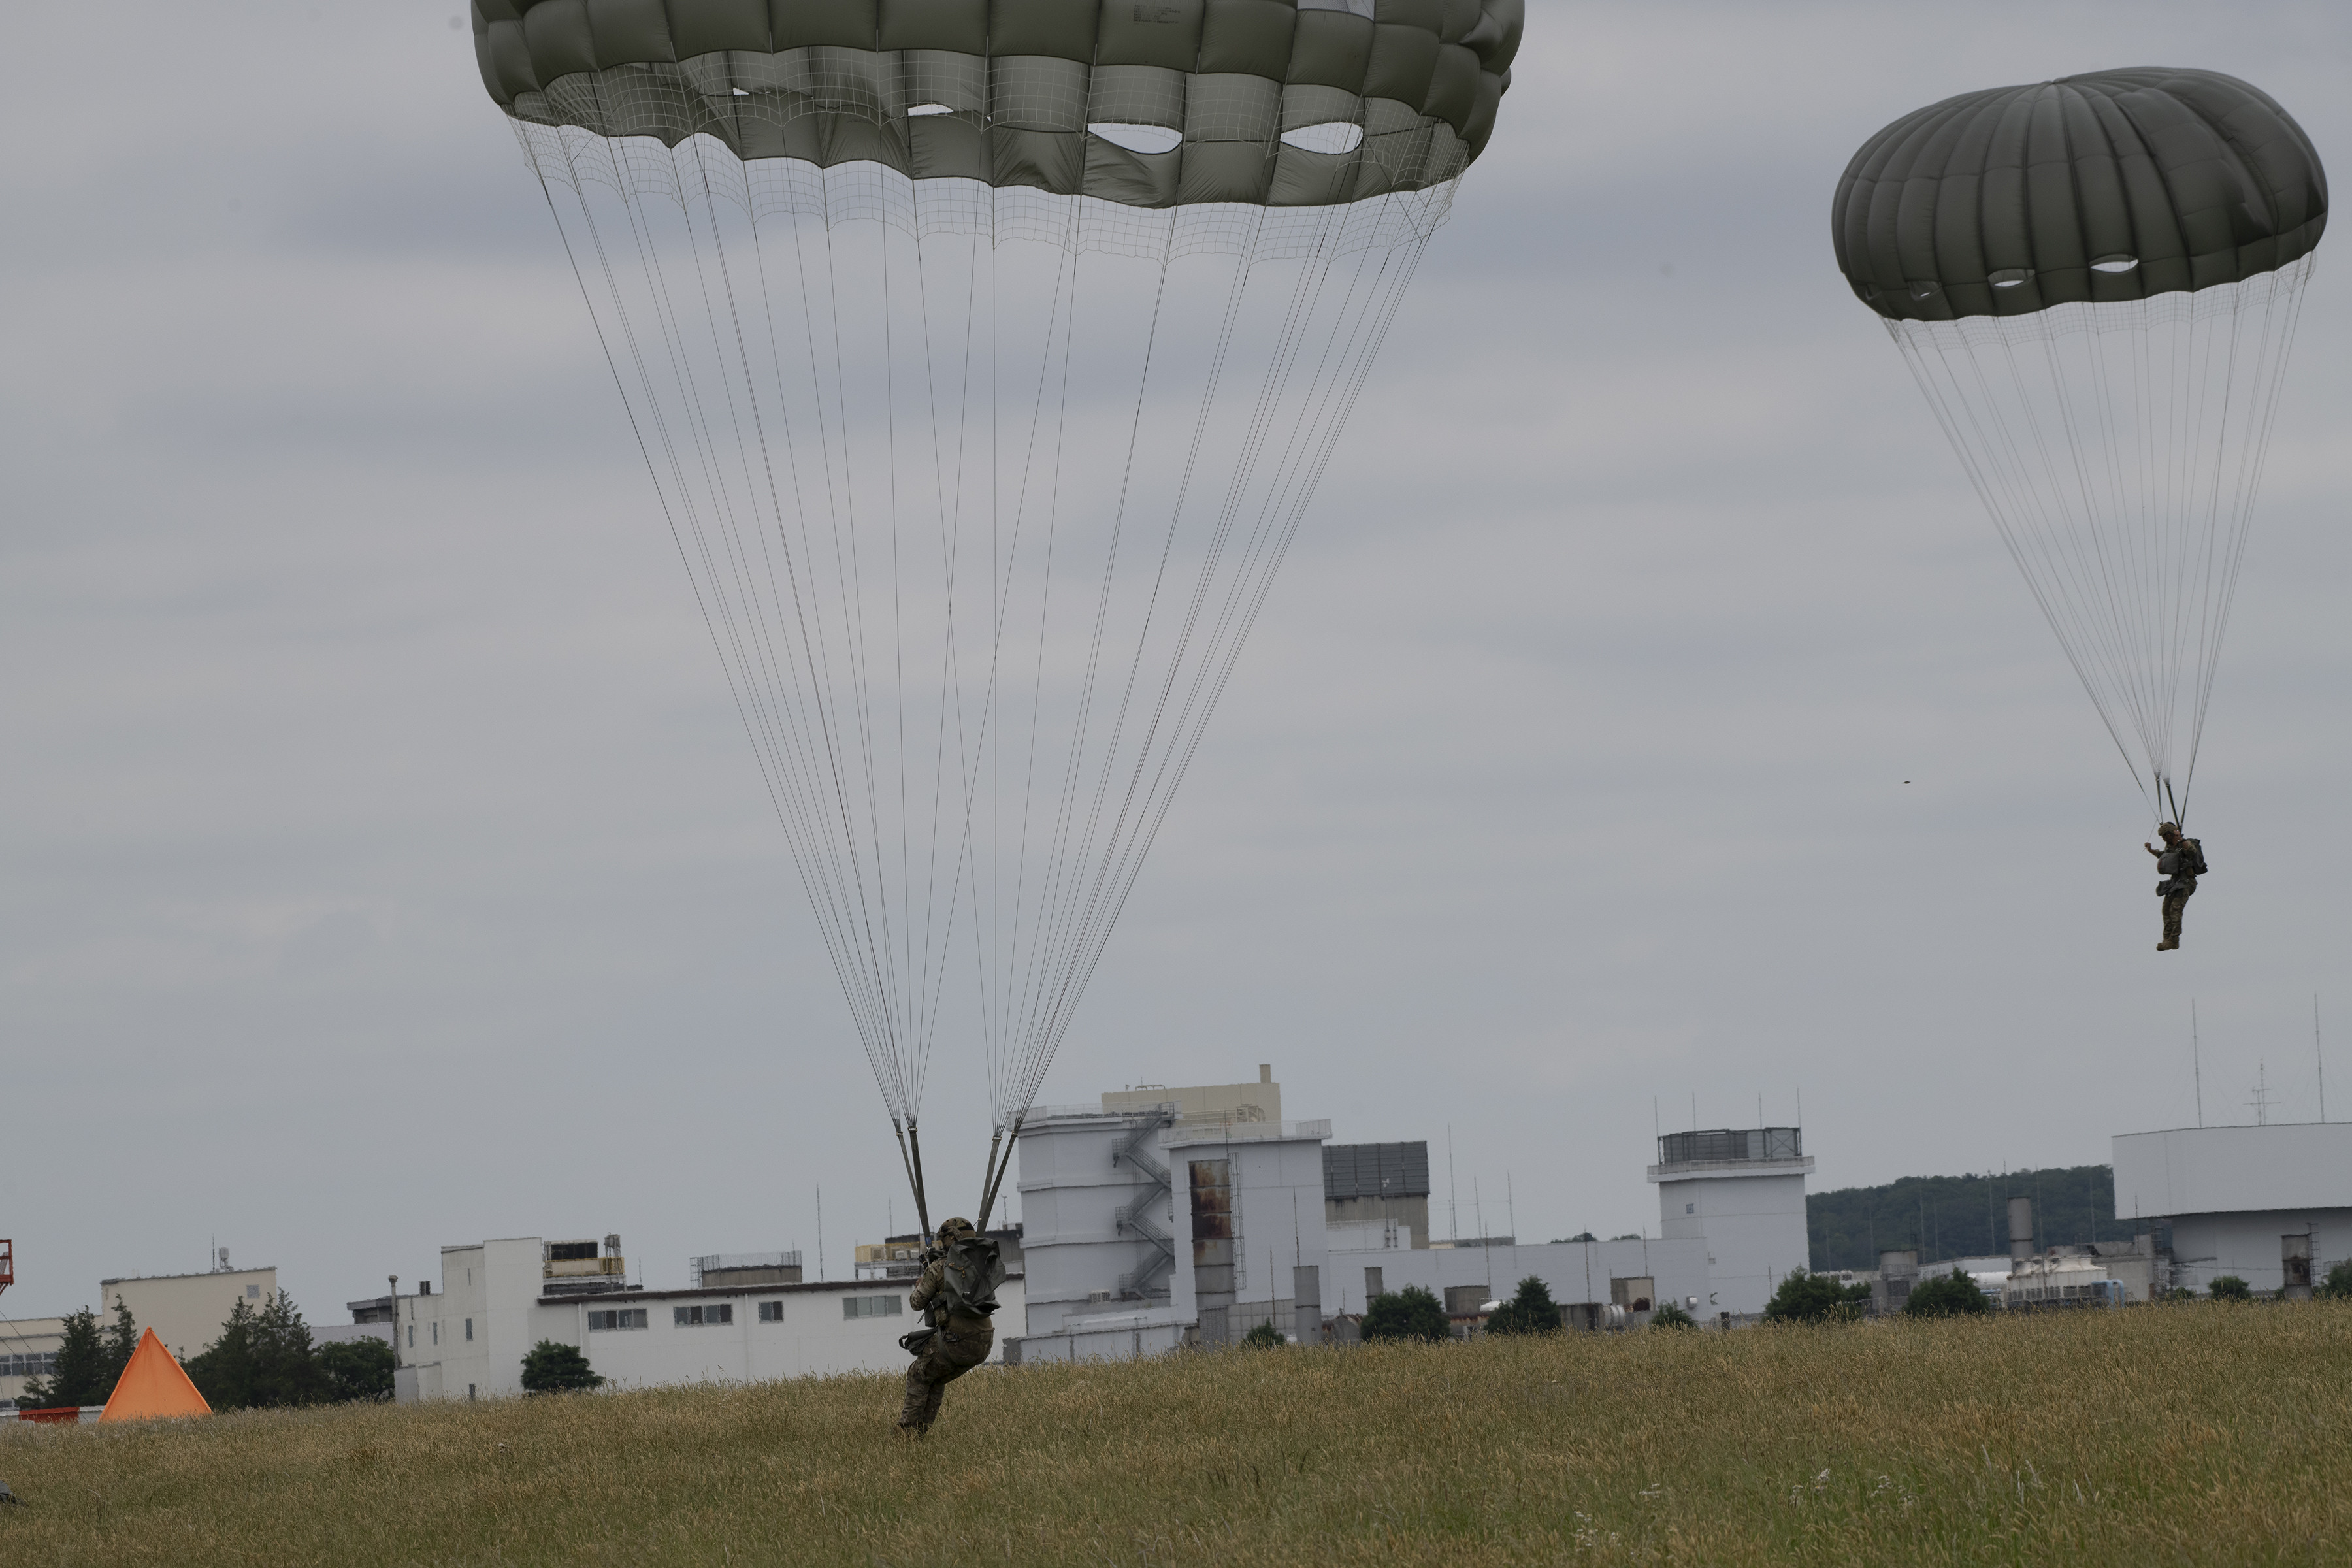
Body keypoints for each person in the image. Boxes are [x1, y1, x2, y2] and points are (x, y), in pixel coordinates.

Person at [897, 1217, 999, 1437]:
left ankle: (906, 1435)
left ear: (952, 1238)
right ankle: (920, 1433)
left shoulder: (940, 1267)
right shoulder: (983, 1263)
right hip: (984, 1341)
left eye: (944, 1240)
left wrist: (922, 1284)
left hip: (956, 1342)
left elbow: (917, 1303)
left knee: (918, 1373)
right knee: (936, 1376)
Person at [2144, 823, 2205, 951]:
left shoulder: (2184, 845)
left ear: (2170, 835)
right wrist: (2151, 850)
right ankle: (2167, 939)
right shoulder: (2170, 848)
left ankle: (2174, 940)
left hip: (2187, 883)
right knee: (2166, 910)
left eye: (2164, 836)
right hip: (2175, 883)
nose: (2163, 839)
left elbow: (2191, 851)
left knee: (2175, 909)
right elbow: (2163, 855)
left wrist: (2181, 840)